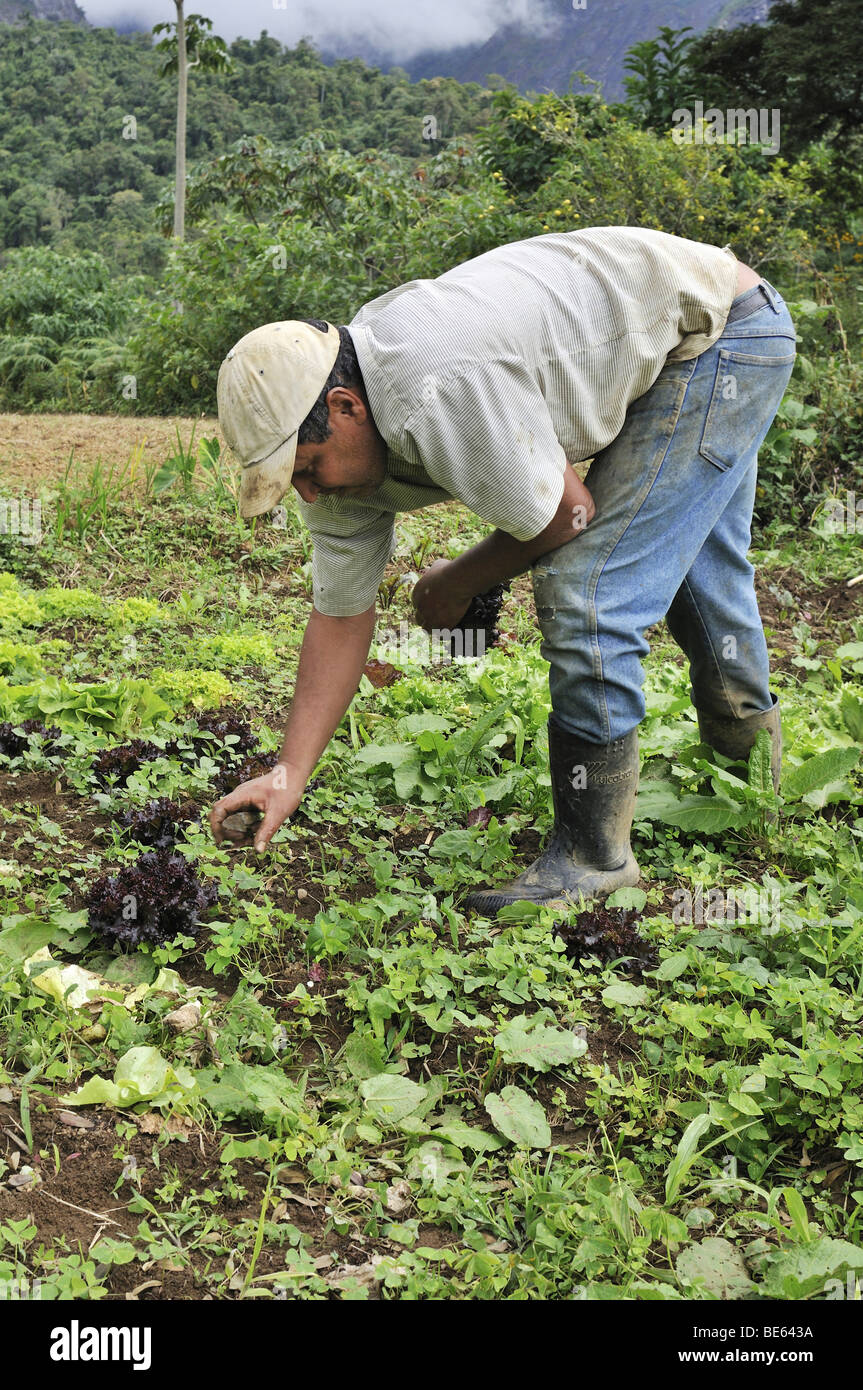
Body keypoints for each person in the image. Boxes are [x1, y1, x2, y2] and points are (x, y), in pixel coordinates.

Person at [210, 225, 796, 913]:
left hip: (715, 338)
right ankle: (754, 779)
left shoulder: (432, 387)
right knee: (698, 568)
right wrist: (288, 773)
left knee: (589, 590)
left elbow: (566, 516)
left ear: (345, 409)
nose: (307, 494)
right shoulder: (341, 449)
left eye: (306, 470)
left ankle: (592, 859)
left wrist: (453, 583)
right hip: (696, 323)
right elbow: (339, 615)